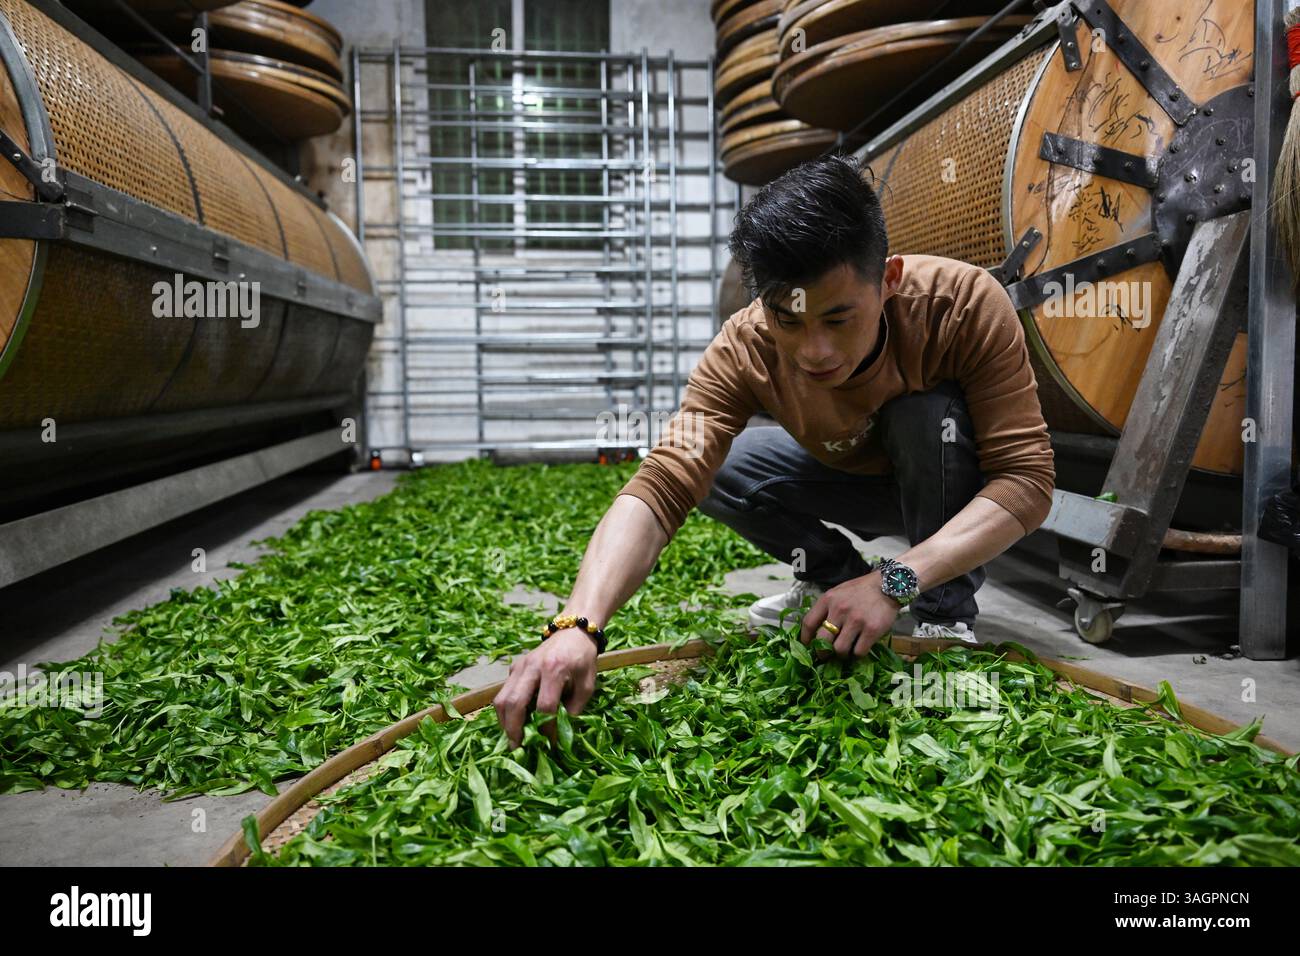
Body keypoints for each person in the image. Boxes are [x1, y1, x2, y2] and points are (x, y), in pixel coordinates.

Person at [494, 153, 1055, 748]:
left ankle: (940, 609)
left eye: (839, 319)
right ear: (764, 303)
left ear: (887, 281)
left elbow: (1025, 480)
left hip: (946, 487)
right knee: (716, 466)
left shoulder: (962, 305)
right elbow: (660, 482)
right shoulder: (744, 343)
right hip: (851, 477)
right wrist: (578, 625)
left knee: (923, 416)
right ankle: (835, 581)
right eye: (790, 321)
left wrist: (898, 580)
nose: (814, 351)